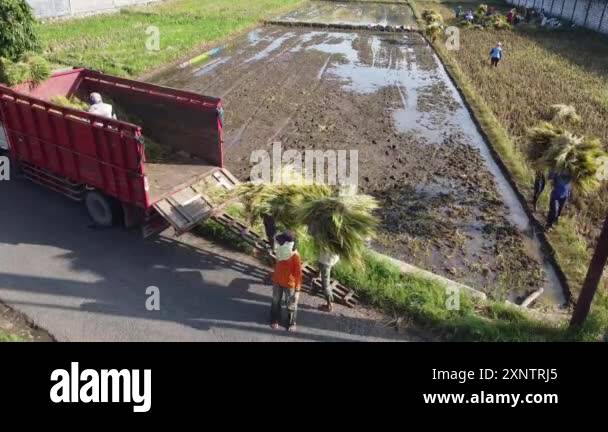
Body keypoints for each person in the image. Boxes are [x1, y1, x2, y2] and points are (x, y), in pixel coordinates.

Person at [270, 231, 302, 331]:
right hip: (277, 281)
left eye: (281, 241)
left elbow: (298, 274)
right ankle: (274, 319)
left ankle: (292, 322)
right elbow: (277, 263)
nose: (279, 243)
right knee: (275, 301)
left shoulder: (295, 256)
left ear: (287, 243)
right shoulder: (281, 250)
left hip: (290, 284)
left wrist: (297, 290)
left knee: (291, 304)